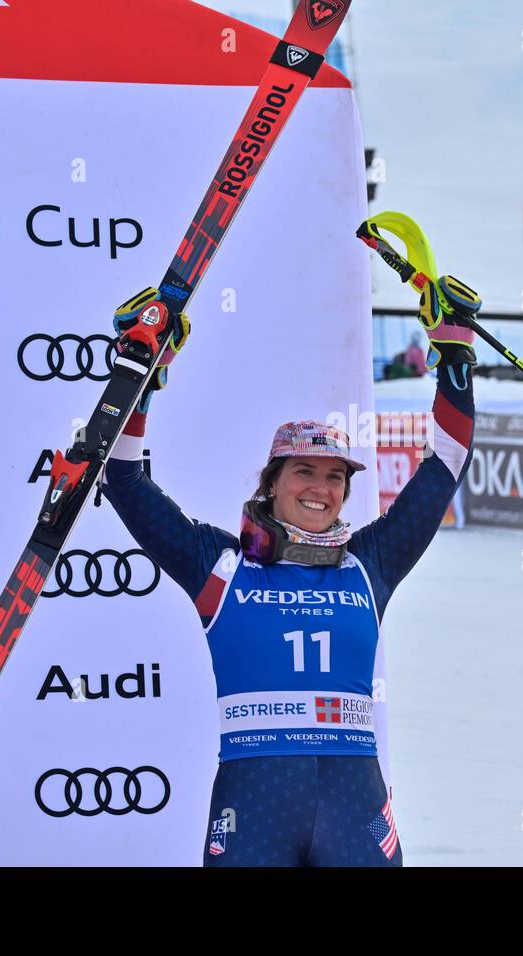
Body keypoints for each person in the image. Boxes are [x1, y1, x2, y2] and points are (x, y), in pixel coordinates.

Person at [100, 274, 479, 867]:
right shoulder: (218, 564)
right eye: (304, 471)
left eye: (335, 477)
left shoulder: (370, 561)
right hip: (254, 804)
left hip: (352, 802)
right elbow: (124, 479)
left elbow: (446, 465)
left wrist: (454, 354)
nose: (320, 488)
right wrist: (137, 379)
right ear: (272, 482)